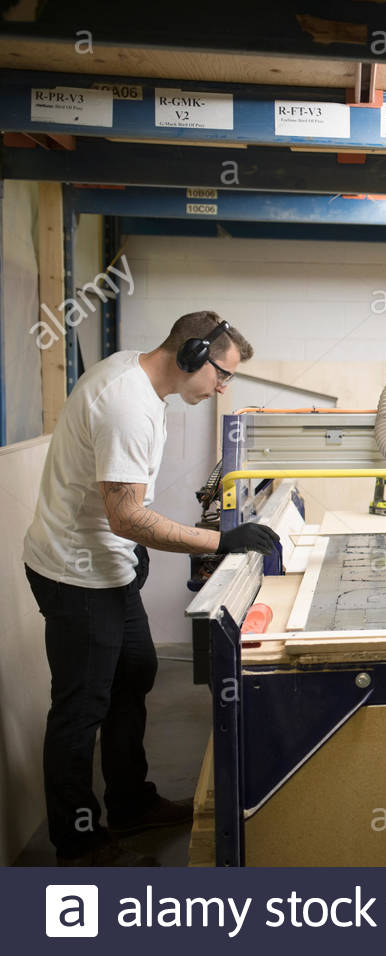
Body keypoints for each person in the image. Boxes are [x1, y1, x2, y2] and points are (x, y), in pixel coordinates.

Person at [23, 311, 280, 866]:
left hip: (108, 564)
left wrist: (145, 546)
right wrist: (220, 542)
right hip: (76, 573)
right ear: (191, 356)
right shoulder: (128, 404)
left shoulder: (140, 382)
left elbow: (121, 513)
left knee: (134, 675)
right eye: (222, 373)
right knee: (80, 708)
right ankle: (79, 845)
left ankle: (131, 804)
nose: (222, 386)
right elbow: (126, 516)